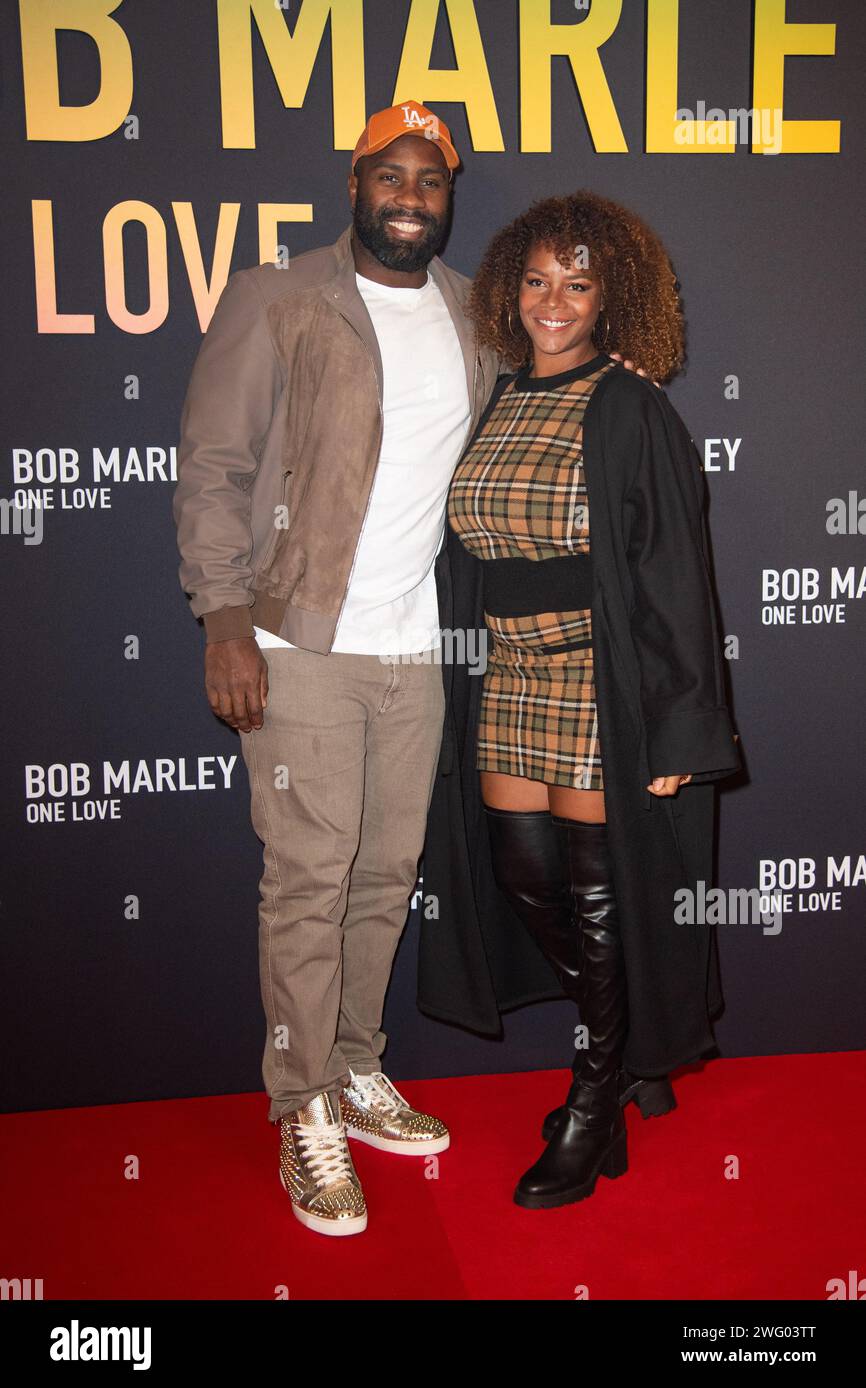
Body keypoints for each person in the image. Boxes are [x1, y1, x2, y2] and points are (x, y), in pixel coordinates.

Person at [172, 101, 503, 1236]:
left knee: (380, 873)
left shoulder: (473, 313)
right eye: (391, 175)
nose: (410, 194)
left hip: (412, 648)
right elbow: (213, 463)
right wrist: (221, 616)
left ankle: (355, 1069)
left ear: (447, 197)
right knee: (308, 883)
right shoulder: (280, 298)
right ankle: (300, 1105)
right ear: (356, 183)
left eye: (431, 178)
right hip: (295, 643)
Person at [420, 190, 742, 1209]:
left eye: (576, 283)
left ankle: (593, 1097)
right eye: (534, 280)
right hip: (508, 678)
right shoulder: (499, 397)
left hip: (598, 687)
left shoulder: (629, 404)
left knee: (600, 901)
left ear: (609, 299)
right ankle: (631, 1043)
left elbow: (671, 569)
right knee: (524, 879)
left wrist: (677, 718)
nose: (551, 302)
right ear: (510, 287)